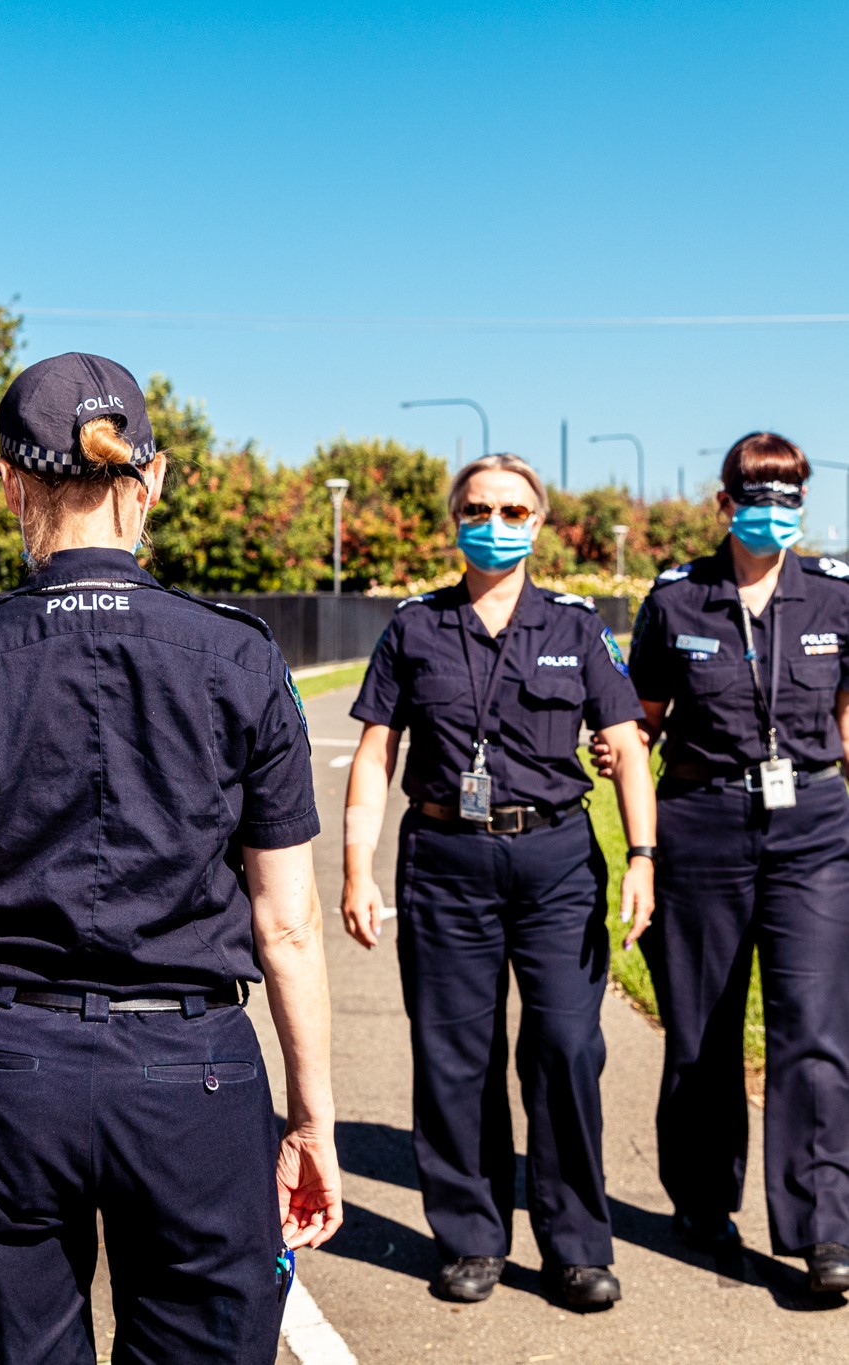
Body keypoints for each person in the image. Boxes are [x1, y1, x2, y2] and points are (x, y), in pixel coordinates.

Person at [0, 351, 342, 1364]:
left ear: (10, 483)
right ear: (153, 477)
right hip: (195, 1072)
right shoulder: (239, 654)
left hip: (9, 1069)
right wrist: (311, 1119)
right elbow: (289, 923)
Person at [341, 453, 655, 1309]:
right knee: (454, 1056)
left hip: (554, 862)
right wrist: (356, 871)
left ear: (538, 523)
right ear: (454, 519)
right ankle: (470, 1237)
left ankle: (577, 1248)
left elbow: (626, 746)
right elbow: (374, 755)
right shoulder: (412, 627)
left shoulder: (577, 627)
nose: (495, 523)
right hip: (444, 864)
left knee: (563, 1048)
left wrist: (641, 858)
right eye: (478, 508)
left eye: (513, 510)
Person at [597, 432, 849, 1293]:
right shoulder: (677, 599)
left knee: (813, 1025)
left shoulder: (835, 596)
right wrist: (619, 752)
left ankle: (822, 1229)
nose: (771, 509)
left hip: (811, 822)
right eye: (756, 492)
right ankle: (703, 1198)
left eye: (788, 494)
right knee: (700, 1027)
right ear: (722, 502)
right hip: (701, 820)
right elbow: (646, 716)